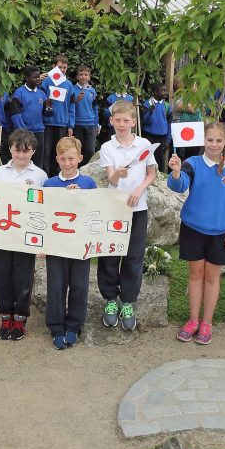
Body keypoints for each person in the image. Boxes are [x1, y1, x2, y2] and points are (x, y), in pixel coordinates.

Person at [168, 122, 225, 345]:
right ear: (204, 140)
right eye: (210, 140)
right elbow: (179, 186)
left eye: (218, 141)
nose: (214, 144)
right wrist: (175, 172)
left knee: (212, 278)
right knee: (195, 276)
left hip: (220, 233)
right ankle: (193, 320)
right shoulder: (192, 163)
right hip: (193, 229)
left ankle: (207, 322)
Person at [97, 100, 157, 332]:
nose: (121, 124)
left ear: (133, 121)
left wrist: (139, 189)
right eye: (117, 120)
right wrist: (118, 175)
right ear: (111, 121)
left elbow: (151, 173)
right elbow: (110, 179)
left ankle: (128, 302)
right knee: (110, 255)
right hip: (114, 209)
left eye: (126, 120)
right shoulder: (108, 148)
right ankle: (111, 300)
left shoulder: (144, 144)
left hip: (138, 208)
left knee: (133, 256)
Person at [0, 129, 47, 341]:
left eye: (26, 151)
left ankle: (20, 318)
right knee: (1, 277)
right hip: (3, 233)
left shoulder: (40, 175)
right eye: (17, 150)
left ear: (33, 151)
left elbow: (45, 208)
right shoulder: (0, 172)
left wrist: (42, 241)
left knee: (23, 277)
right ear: (10, 149)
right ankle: (5, 315)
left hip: (26, 235)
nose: (21, 155)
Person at [44, 136, 96, 349]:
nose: (67, 163)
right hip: (56, 245)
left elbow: (94, 211)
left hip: (80, 244)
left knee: (79, 286)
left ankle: (74, 325)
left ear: (80, 158)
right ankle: (56, 327)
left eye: (71, 159)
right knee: (56, 286)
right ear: (57, 159)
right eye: (63, 159)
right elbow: (43, 214)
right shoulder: (49, 183)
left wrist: (79, 198)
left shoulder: (88, 183)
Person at [8, 66, 52, 170]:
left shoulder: (42, 93)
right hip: (24, 133)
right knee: (22, 158)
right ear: (27, 78)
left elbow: (47, 114)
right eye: (35, 77)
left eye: (38, 77)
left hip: (39, 132)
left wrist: (49, 107)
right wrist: (25, 132)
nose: (38, 79)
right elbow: (15, 115)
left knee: (38, 160)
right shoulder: (19, 93)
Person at [40, 54, 75, 176]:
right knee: (46, 153)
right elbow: (38, 97)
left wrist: (70, 125)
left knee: (60, 153)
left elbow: (71, 105)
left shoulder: (69, 84)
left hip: (62, 123)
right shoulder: (46, 81)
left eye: (65, 67)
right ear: (53, 67)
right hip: (47, 123)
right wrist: (39, 80)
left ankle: (58, 177)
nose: (63, 70)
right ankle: (45, 177)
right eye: (60, 67)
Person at [141, 82, 172, 170]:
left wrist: (168, 140)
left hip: (162, 137)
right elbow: (145, 122)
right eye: (163, 91)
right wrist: (150, 112)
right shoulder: (148, 103)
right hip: (149, 135)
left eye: (165, 91)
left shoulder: (167, 106)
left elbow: (170, 123)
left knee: (160, 158)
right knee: (148, 157)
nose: (165, 93)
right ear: (155, 92)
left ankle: (159, 176)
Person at [72, 65, 99, 163]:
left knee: (90, 151)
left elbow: (95, 108)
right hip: (77, 124)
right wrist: (76, 100)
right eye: (81, 74)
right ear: (77, 76)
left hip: (90, 124)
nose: (83, 76)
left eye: (86, 75)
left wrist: (96, 124)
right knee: (78, 151)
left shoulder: (92, 91)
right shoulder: (72, 89)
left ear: (89, 77)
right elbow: (69, 108)